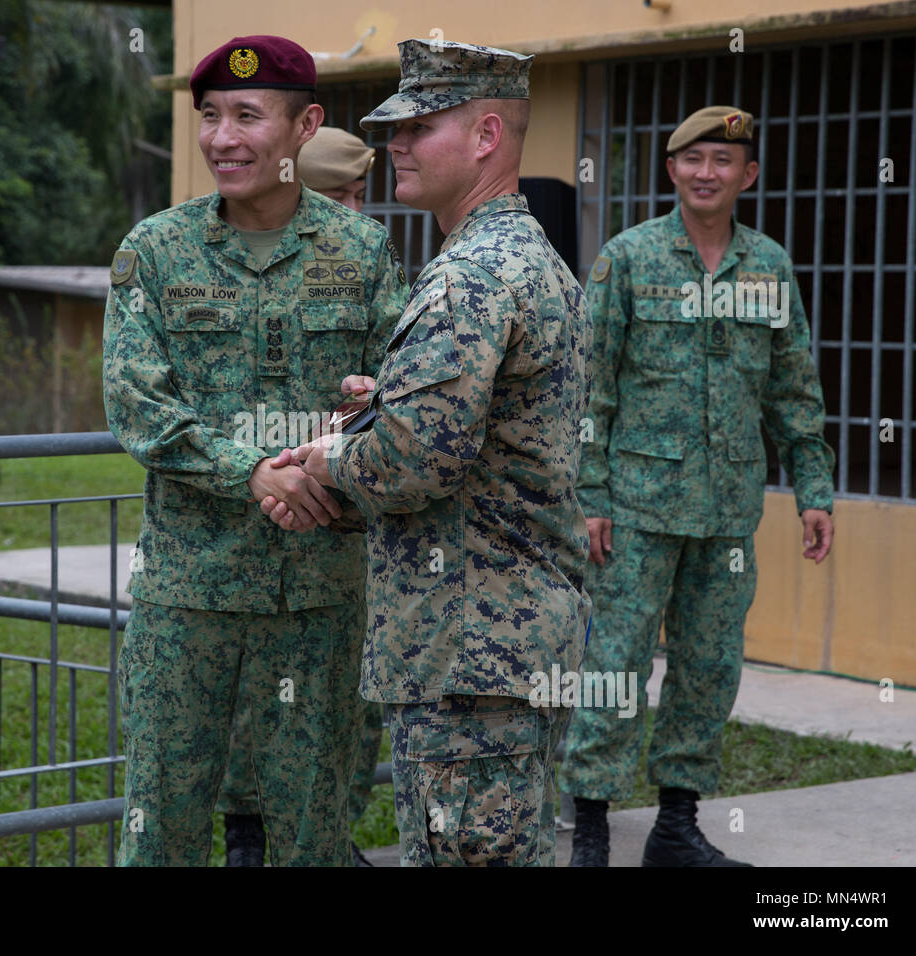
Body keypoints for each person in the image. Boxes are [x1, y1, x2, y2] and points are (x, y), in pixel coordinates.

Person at [265, 38, 593, 866]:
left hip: (468, 652)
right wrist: (382, 410)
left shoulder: (470, 276)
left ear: (487, 136)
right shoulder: (527, 258)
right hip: (503, 646)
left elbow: (415, 461)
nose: (395, 146)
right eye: (393, 130)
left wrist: (321, 463)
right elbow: (486, 434)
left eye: (420, 127)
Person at [102, 35, 407, 866]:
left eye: (247, 115)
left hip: (319, 594)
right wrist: (254, 473)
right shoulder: (156, 250)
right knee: (160, 819)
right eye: (209, 116)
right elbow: (139, 406)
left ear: (305, 124)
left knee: (313, 826)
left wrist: (335, 455)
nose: (224, 138)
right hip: (189, 592)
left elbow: (398, 397)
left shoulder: (363, 251)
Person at [561, 106, 836, 867]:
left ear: (748, 176)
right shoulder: (628, 258)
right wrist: (589, 498)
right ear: (672, 171)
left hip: (728, 512)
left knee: (709, 667)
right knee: (613, 667)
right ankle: (590, 827)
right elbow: (591, 390)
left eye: (724, 161)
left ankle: (675, 828)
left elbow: (793, 389)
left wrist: (814, 488)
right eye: (694, 160)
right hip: (636, 511)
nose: (708, 173)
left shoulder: (769, 267)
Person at [215, 126, 390, 867]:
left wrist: (365, 400)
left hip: (336, 537)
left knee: (343, 711)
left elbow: (397, 374)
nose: (353, 212)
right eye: (340, 195)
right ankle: (249, 841)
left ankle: (329, 841)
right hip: (234, 534)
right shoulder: (220, 263)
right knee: (249, 708)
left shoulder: (366, 260)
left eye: (360, 196)